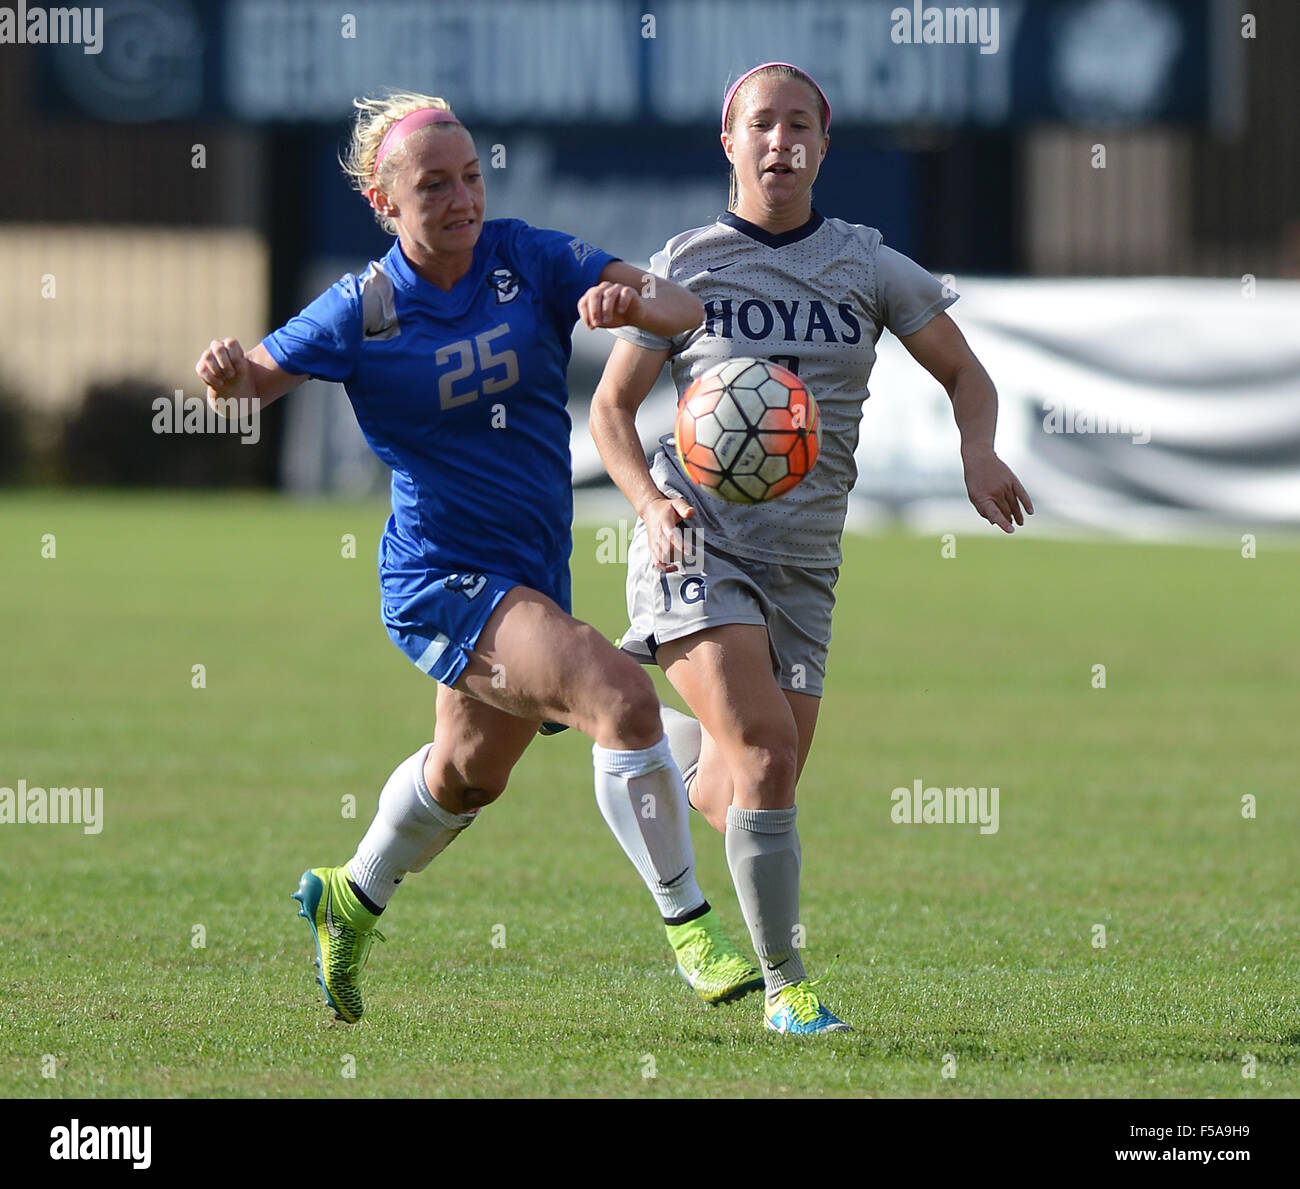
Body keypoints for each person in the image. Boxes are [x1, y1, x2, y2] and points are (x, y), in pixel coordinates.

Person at [193, 91, 764, 1024]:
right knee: (618, 698)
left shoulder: (527, 256)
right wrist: (227, 377)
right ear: (385, 205)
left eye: (470, 178)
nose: (462, 199)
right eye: (434, 186)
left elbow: (681, 305)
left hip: (529, 571)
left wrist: (630, 303)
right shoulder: (363, 307)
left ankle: (350, 895)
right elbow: (254, 382)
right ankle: (691, 927)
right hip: (440, 580)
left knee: (467, 774)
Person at [589, 63, 1033, 1034]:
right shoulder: (688, 265)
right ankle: (788, 988)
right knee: (766, 753)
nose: (780, 141)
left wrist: (977, 451)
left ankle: (623, 736)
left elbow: (965, 373)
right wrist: (648, 499)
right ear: (729, 141)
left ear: (825, 145)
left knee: (747, 781)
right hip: (695, 544)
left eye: (799, 126)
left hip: (805, 566)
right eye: (761, 124)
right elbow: (611, 409)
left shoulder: (866, 266)